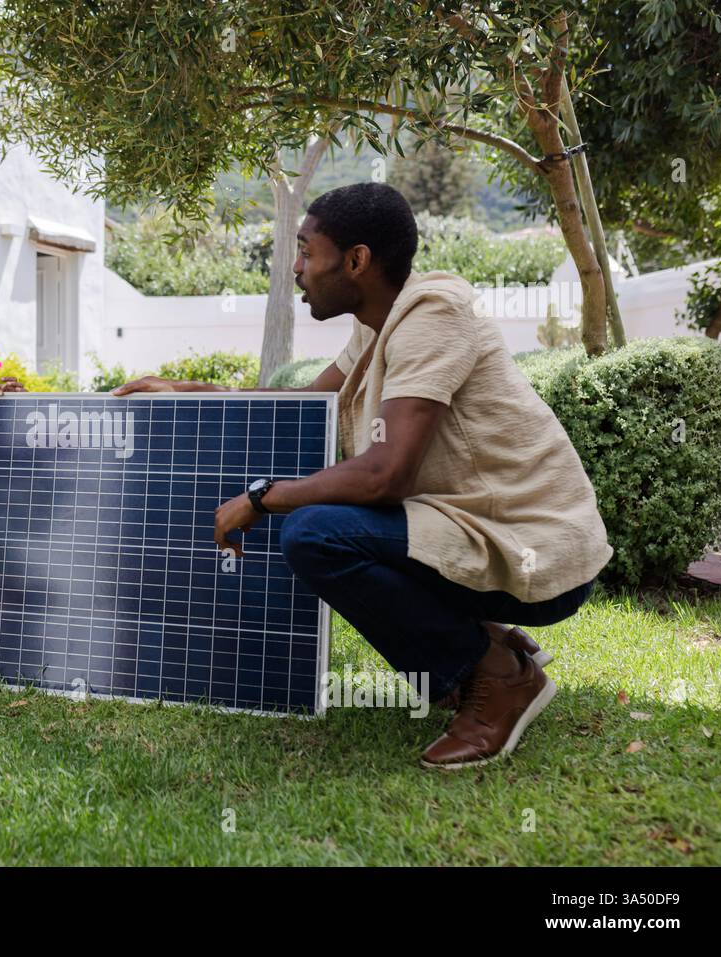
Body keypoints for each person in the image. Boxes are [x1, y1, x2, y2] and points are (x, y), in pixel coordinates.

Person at [114, 182, 612, 769]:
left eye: (306, 251)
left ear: (356, 260)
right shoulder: (377, 327)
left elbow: (385, 476)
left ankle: (499, 677)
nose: (297, 269)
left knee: (315, 533)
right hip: (473, 529)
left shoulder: (434, 314)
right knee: (328, 523)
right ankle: (494, 643)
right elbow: (301, 404)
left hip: (533, 549)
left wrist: (264, 498)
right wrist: (188, 389)